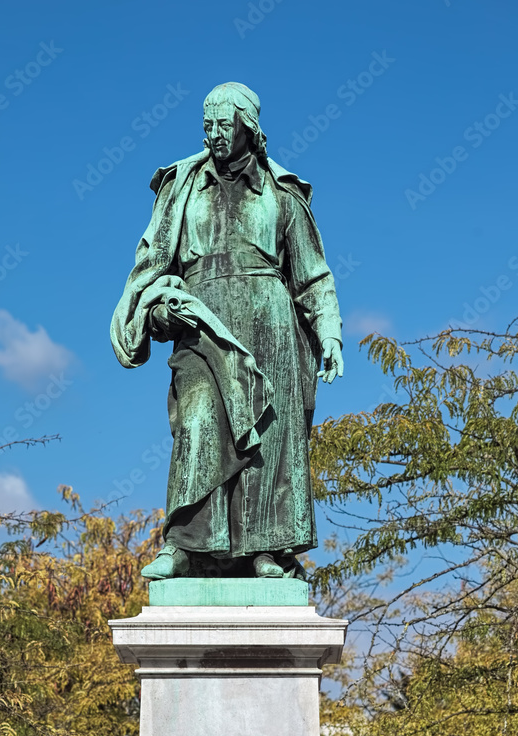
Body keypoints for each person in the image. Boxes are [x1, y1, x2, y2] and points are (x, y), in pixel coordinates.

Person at [110, 82, 343, 580]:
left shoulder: (282, 197)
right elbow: (152, 273)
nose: (215, 135)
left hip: (272, 327)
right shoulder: (182, 189)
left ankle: (267, 547)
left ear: (248, 128)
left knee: (267, 437)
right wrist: (159, 317)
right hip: (202, 324)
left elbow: (313, 275)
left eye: (224, 125)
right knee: (196, 423)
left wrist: (331, 337)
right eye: (207, 126)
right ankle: (185, 545)